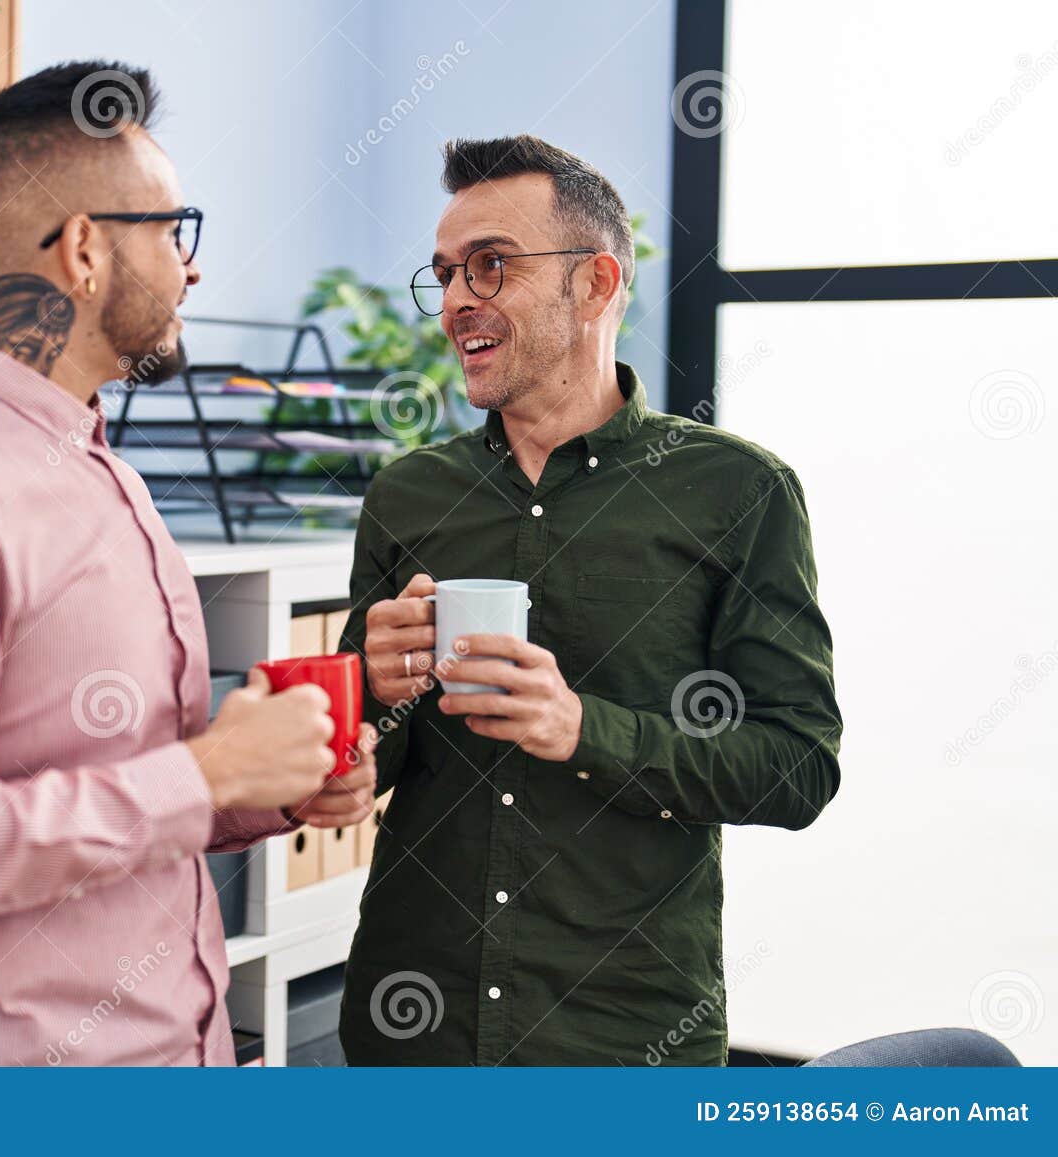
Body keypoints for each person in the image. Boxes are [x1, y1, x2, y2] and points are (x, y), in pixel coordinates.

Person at [0, 61, 375, 1066]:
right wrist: (208, 770)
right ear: (83, 250)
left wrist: (265, 788)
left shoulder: (105, 472)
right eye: (172, 230)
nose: (191, 269)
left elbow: (127, 791)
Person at [339, 134, 842, 1065]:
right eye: (445, 273)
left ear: (597, 283)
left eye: (490, 266)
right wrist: (364, 689)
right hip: (412, 1026)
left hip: (623, 1037)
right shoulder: (407, 496)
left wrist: (583, 730)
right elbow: (358, 759)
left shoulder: (739, 492)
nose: (455, 302)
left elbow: (798, 767)